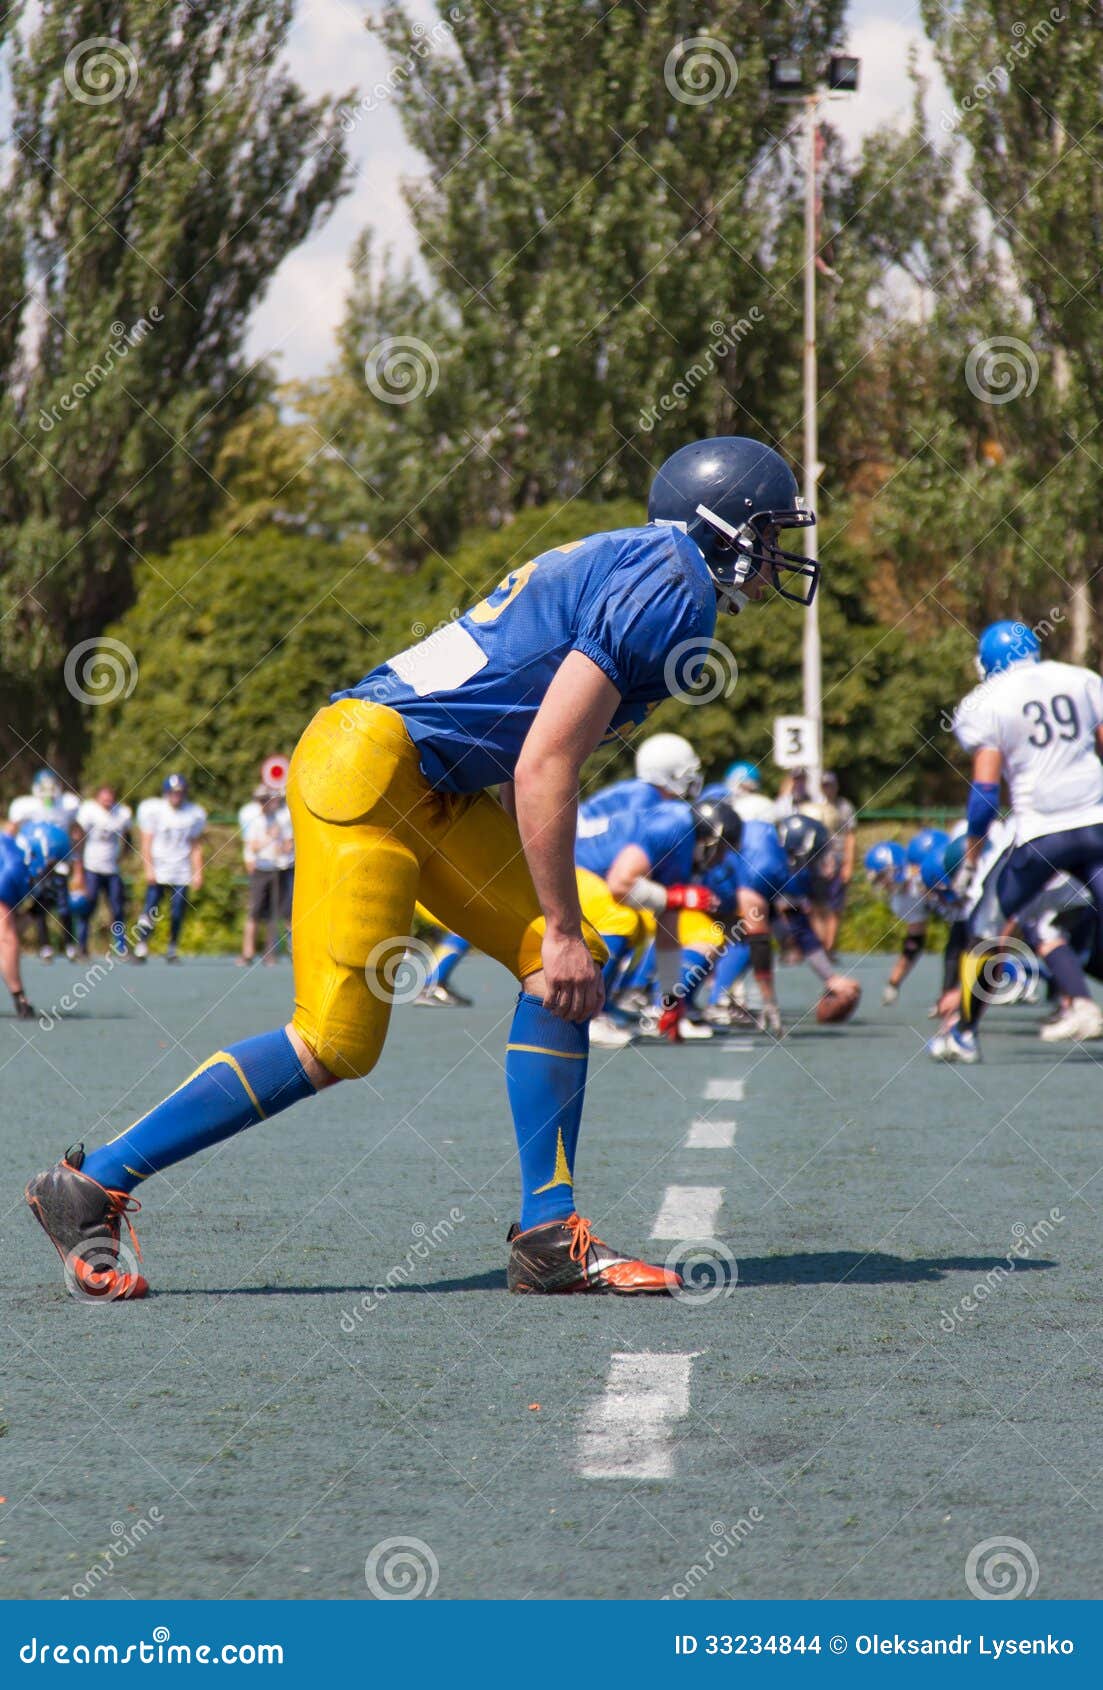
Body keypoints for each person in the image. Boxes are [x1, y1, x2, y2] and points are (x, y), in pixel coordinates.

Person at [24, 433, 817, 1302]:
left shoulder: (638, 560)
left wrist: (556, 929)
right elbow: (544, 762)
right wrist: (554, 925)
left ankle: (550, 1235)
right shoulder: (673, 582)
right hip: (373, 766)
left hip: (430, 776)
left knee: (561, 965)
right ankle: (92, 1184)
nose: (778, 553)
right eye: (770, 529)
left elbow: (527, 752)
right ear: (724, 524)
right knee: (338, 1040)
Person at [931, 619, 1103, 1061]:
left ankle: (964, 1034)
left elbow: (985, 794)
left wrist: (972, 852)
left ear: (988, 660)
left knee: (986, 929)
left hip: (1041, 834)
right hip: (1097, 824)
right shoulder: (1081, 679)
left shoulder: (987, 701)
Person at [133, 774, 207, 962]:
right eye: (173, 792)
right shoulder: (156, 810)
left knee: (177, 911)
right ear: (166, 793)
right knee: (150, 909)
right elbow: (146, 842)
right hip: (160, 867)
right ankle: (141, 945)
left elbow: (196, 846)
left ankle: (172, 947)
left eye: (180, 792)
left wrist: (198, 871)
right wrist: (148, 867)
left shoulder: (193, 814)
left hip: (181, 870)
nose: (177, 796)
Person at [0, 827, 67, 1019]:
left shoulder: (13, 856)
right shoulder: (12, 868)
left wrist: (33, 912)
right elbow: (6, 939)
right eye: (52, 864)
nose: (52, 872)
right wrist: (19, 996)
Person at [74, 784, 133, 958]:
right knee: (87, 907)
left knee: (117, 907)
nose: (107, 799)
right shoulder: (89, 811)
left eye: (110, 795)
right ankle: (82, 946)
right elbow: (78, 838)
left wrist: (122, 857)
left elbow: (129, 838)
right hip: (92, 867)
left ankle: (120, 945)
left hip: (112, 869)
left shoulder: (122, 813)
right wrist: (78, 865)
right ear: (98, 796)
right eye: (104, 795)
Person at [239, 787, 294, 965]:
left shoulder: (281, 819)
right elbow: (252, 846)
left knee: (273, 913)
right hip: (261, 869)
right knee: (254, 912)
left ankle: (269, 953)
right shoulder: (254, 821)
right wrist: (270, 838)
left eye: (266, 800)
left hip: (276, 868)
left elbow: (287, 845)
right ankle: (247, 953)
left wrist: (284, 847)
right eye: (261, 801)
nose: (264, 804)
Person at [806, 771, 856, 953]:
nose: (828, 789)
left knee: (835, 907)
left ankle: (829, 946)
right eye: (824, 785)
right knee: (816, 906)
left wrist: (848, 865)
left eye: (830, 785)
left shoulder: (844, 807)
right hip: (816, 863)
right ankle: (820, 946)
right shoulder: (813, 807)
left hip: (837, 861)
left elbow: (851, 837)